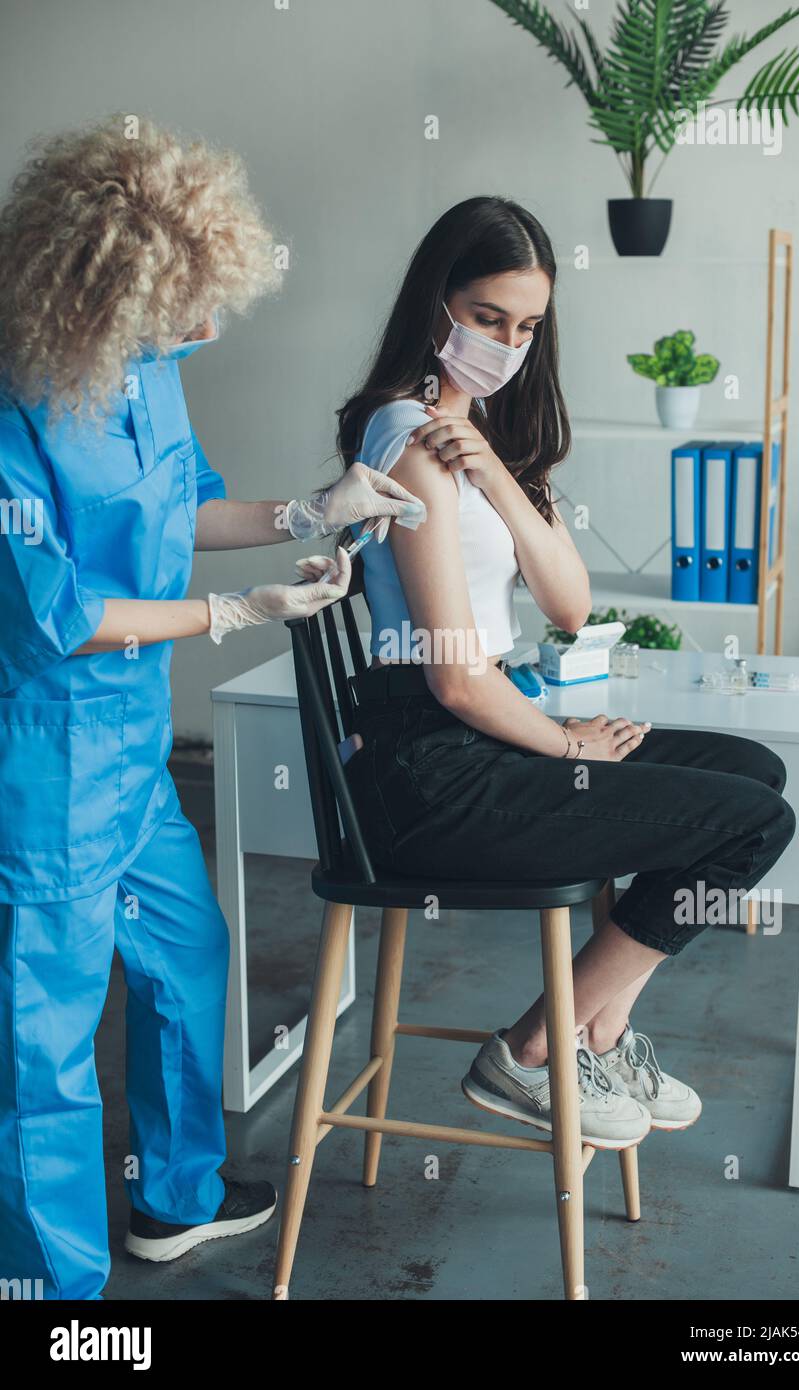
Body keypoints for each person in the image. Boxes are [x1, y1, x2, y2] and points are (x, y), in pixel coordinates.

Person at [0, 118, 424, 1301]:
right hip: (37, 766)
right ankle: (52, 1299)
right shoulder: (12, 409)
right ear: (102, 287)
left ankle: (171, 1199)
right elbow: (66, 615)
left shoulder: (139, 369)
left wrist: (308, 512)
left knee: (189, 960)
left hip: (130, 749)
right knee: (43, 1055)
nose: (204, 330)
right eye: (184, 307)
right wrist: (237, 618)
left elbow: (181, 510)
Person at [337, 196, 797, 1151]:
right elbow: (456, 683)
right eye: (487, 317)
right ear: (437, 306)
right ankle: (538, 1045)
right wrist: (565, 742)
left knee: (755, 775)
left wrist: (499, 476)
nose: (507, 343)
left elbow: (572, 607)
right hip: (431, 772)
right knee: (756, 822)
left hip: (481, 738)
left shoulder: (470, 438)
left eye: (527, 325)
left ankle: (596, 1027)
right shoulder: (409, 443)